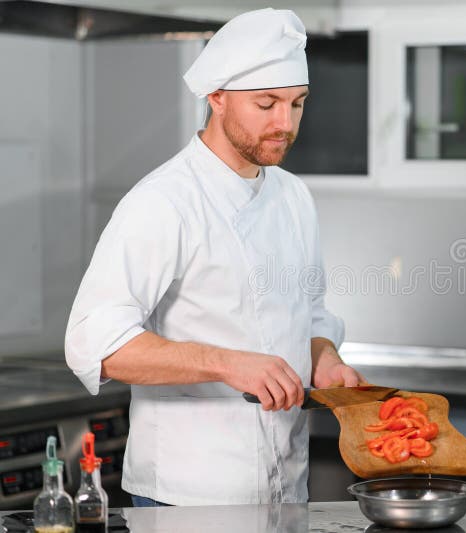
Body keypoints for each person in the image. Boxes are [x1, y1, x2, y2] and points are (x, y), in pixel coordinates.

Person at [64, 8, 364, 506]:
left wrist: (325, 359)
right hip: (188, 494)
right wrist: (225, 363)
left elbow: (308, 315)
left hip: (287, 487)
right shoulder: (164, 201)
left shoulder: (293, 197)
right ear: (217, 97)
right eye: (266, 103)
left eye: (297, 103)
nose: (284, 124)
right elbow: (95, 345)